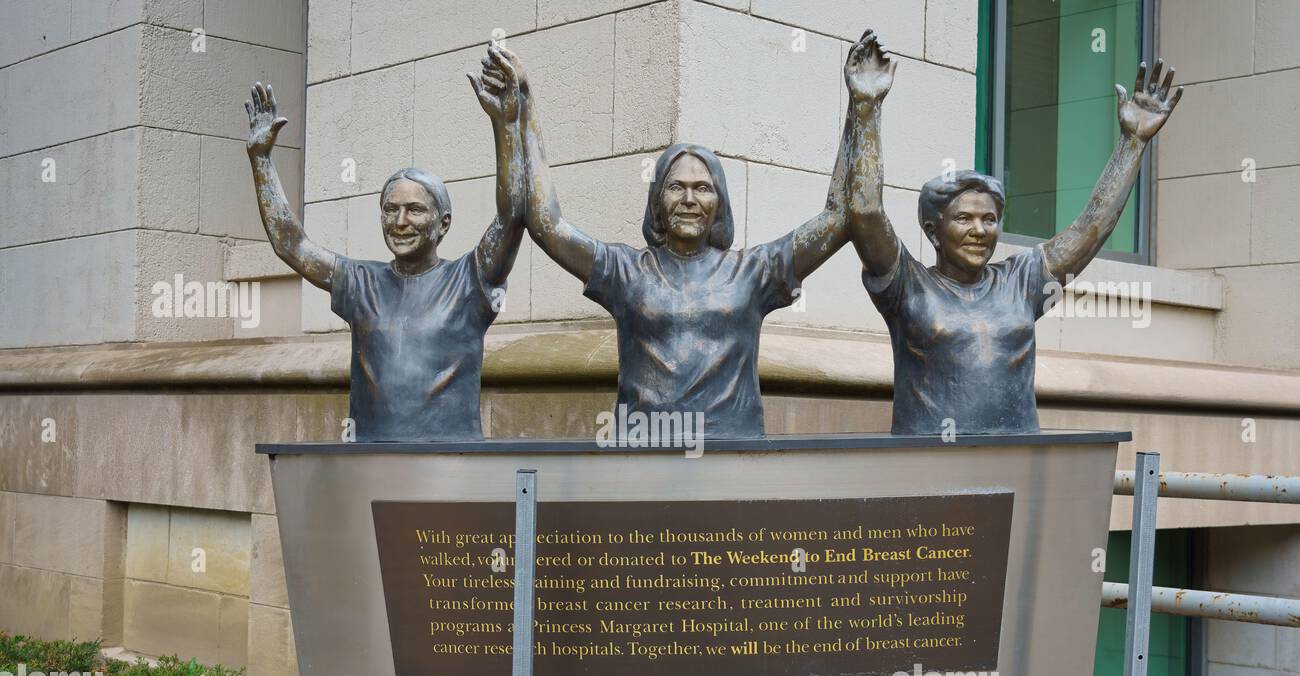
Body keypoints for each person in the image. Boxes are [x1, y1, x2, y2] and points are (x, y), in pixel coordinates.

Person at [484, 35, 886, 438]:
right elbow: (544, 223)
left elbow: (840, 217)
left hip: (732, 459)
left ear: (719, 203)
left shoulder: (754, 272)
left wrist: (863, 108)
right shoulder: (627, 271)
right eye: (676, 187)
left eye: (703, 188)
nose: (690, 199)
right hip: (646, 459)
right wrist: (522, 112)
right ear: (657, 201)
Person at [847, 47, 1184, 435]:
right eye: (964, 218)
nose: (980, 229)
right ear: (932, 229)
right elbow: (865, 213)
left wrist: (1132, 144)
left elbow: (1092, 227)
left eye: (989, 219)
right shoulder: (908, 286)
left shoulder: (1021, 281)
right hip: (932, 475)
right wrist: (866, 109)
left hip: (1018, 468)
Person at [243, 43, 526, 441]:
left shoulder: (469, 280)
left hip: (450, 475)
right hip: (370, 468)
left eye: (414, 210)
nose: (400, 221)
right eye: (390, 210)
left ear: (442, 224)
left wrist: (507, 126)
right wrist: (261, 162)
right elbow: (291, 244)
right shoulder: (361, 282)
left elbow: (513, 215)